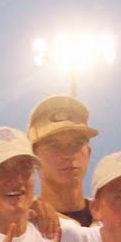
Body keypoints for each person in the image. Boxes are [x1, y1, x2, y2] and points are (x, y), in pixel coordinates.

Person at [27, 95, 99, 226]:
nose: (68, 154)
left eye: (77, 143)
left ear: (88, 153)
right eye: (54, 146)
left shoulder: (113, 220)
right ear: (34, 159)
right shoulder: (22, 224)